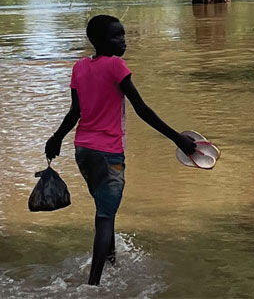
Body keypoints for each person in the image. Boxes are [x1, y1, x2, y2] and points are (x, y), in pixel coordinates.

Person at [44, 15, 197, 286]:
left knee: (105, 208)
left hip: (83, 151)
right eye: (117, 36)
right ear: (100, 41)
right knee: (104, 217)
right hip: (108, 153)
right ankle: (93, 285)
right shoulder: (116, 66)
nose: (123, 41)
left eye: (123, 35)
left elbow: (74, 112)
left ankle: (111, 260)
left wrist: (56, 138)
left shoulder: (79, 67)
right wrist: (177, 138)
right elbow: (142, 109)